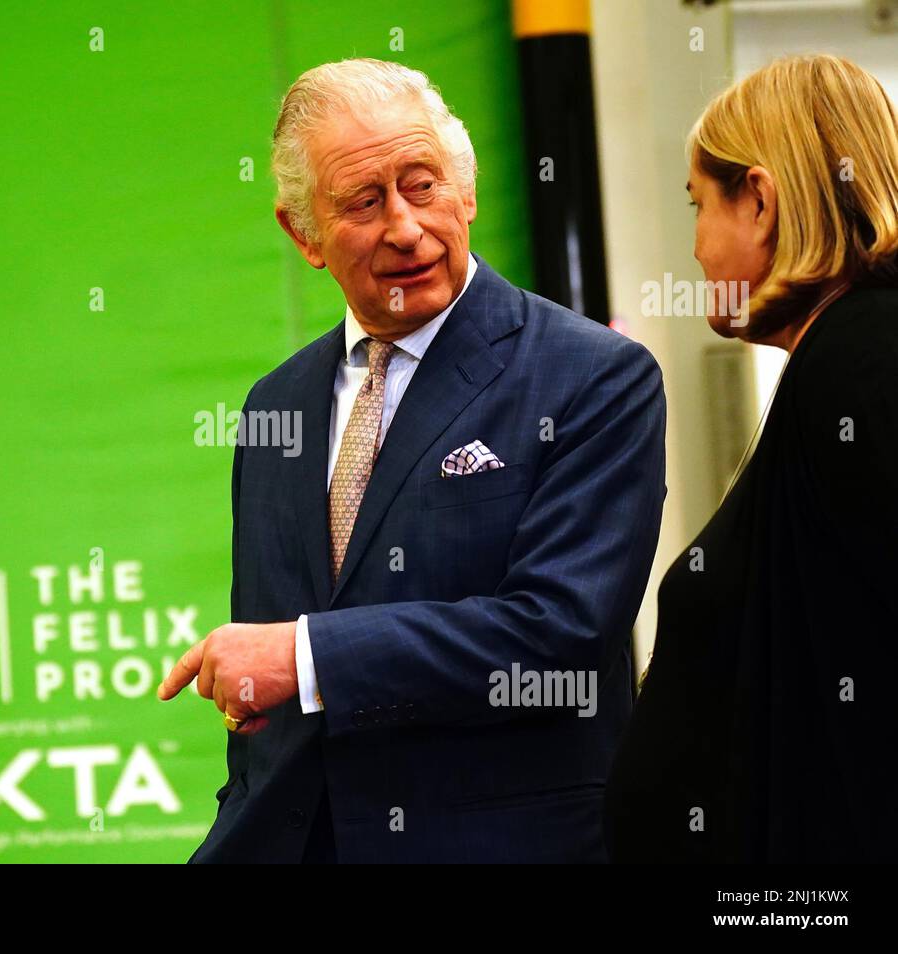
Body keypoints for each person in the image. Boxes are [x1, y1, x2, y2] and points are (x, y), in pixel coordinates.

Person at [157, 58, 666, 863]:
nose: (404, 226)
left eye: (422, 185)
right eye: (363, 201)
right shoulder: (273, 407)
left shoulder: (594, 375)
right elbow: (269, 720)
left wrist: (303, 656)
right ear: (303, 235)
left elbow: (559, 629)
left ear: (466, 192)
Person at [604, 53, 898, 863]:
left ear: (761, 202)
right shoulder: (837, 361)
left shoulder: (863, 359)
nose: (695, 247)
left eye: (700, 206)